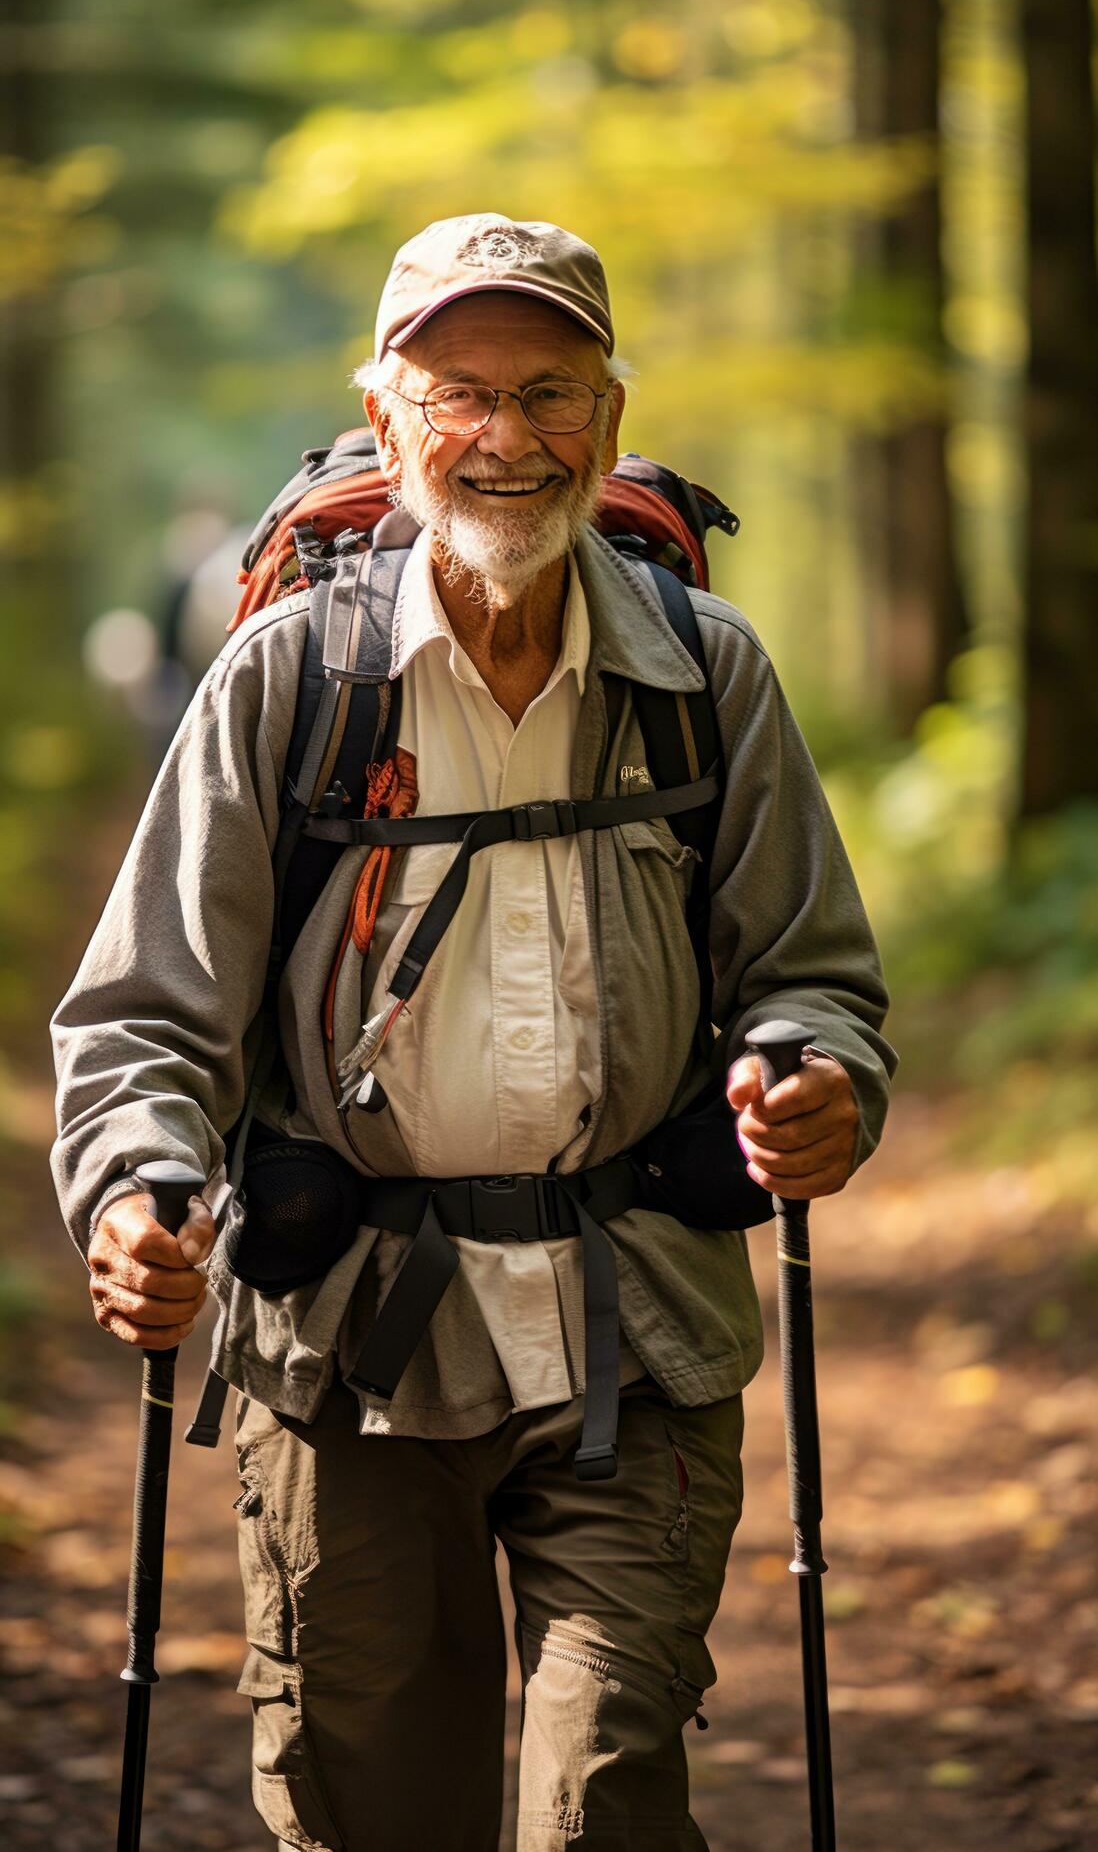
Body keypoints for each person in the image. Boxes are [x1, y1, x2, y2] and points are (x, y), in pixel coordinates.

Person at [51, 213, 896, 1852]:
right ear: (388, 422)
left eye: (552, 392)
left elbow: (814, 973)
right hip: (348, 1344)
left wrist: (817, 1081)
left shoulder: (704, 678)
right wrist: (137, 1189)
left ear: (610, 418)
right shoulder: (290, 685)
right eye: (460, 395)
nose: (508, 438)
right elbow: (148, 1016)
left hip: (634, 1326)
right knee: (372, 1810)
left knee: (600, 1804)